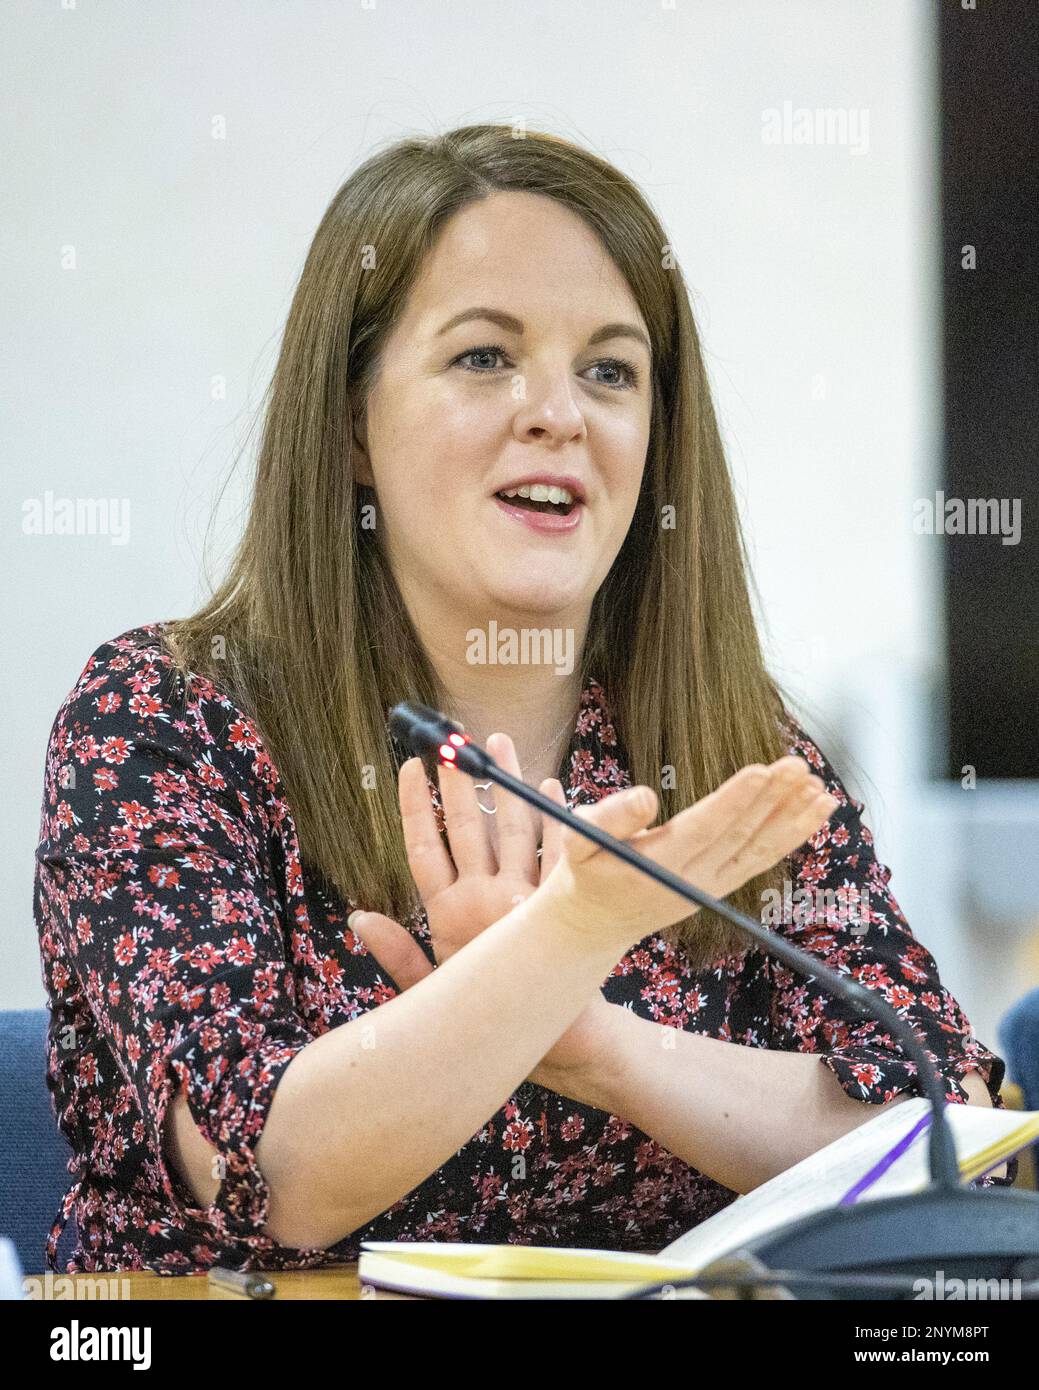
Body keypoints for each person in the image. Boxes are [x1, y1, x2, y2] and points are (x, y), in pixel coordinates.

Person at [34, 125, 1012, 1276]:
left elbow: (948, 1141)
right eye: (485, 357)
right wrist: (567, 938)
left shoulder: (729, 751)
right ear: (351, 423)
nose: (559, 413)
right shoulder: (162, 723)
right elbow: (272, 1170)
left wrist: (595, 1043)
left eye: (609, 370)